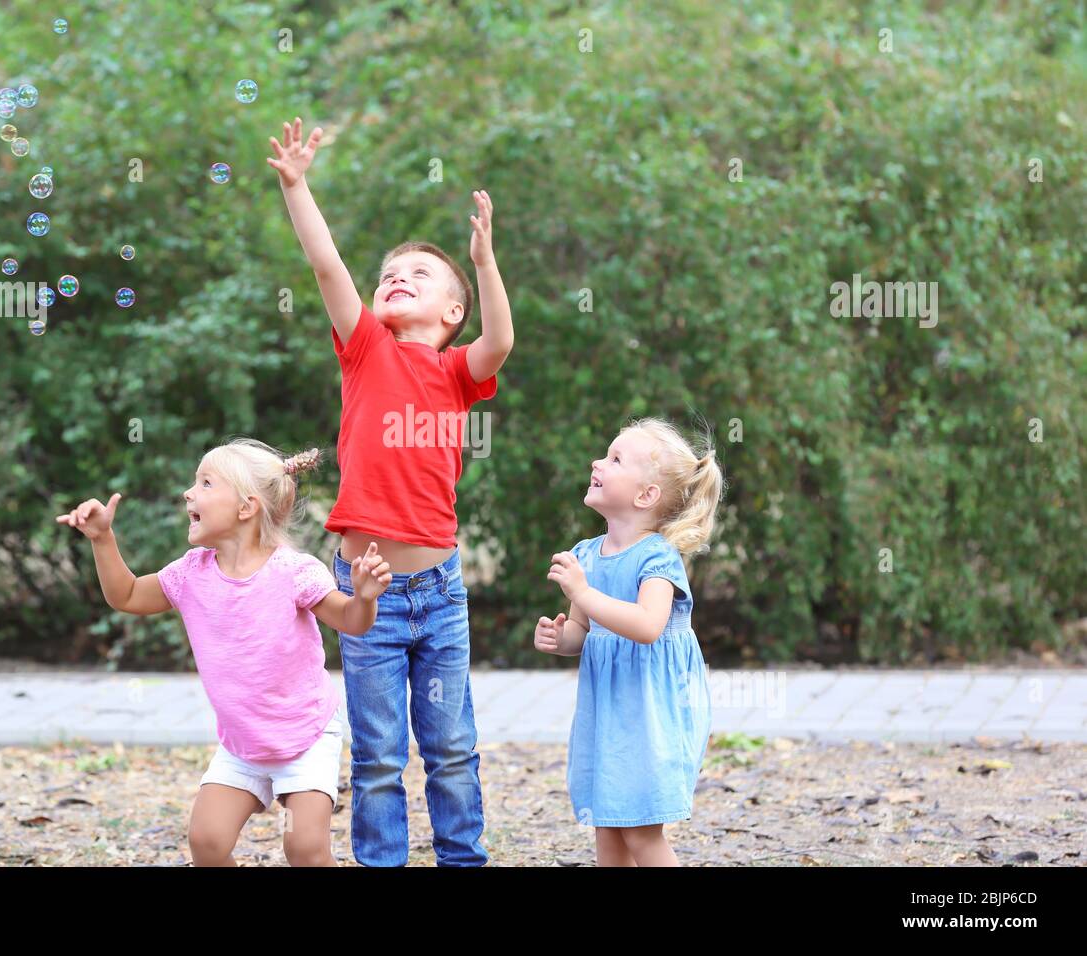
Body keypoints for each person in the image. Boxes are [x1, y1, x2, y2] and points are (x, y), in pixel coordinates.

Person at [268, 116, 514, 865]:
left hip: (439, 590)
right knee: (376, 758)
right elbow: (327, 268)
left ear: (453, 314)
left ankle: (461, 859)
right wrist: (297, 185)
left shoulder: (456, 373)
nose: (397, 277)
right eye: (390, 273)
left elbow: (501, 340)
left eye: (421, 273)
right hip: (364, 594)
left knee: (450, 746)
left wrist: (484, 258)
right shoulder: (365, 348)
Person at [56, 439, 392, 866]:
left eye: (205, 483)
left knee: (304, 848)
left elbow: (353, 622)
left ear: (246, 508)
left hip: (305, 737)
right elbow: (126, 595)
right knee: (207, 842)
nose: (188, 493)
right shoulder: (190, 574)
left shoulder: (294, 571)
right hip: (242, 746)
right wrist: (103, 538)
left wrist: (363, 597)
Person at [535, 417, 723, 866]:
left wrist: (583, 592)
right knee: (609, 828)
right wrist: (561, 637)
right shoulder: (587, 554)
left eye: (615, 458)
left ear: (645, 496)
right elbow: (584, 631)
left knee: (640, 831)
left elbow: (647, 625)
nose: (597, 462)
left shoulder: (657, 555)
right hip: (610, 710)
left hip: (652, 709)